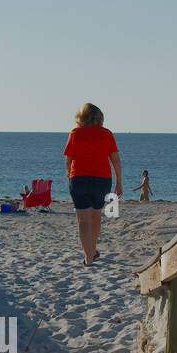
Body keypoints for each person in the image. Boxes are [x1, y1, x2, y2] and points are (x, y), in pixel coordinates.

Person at [63, 103, 122, 265]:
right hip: (102, 180)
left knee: (83, 220)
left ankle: (89, 256)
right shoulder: (107, 134)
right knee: (96, 215)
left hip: (79, 179)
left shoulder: (74, 133)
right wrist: (119, 181)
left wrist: (70, 176)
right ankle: (92, 249)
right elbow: (115, 159)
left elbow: (68, 160)